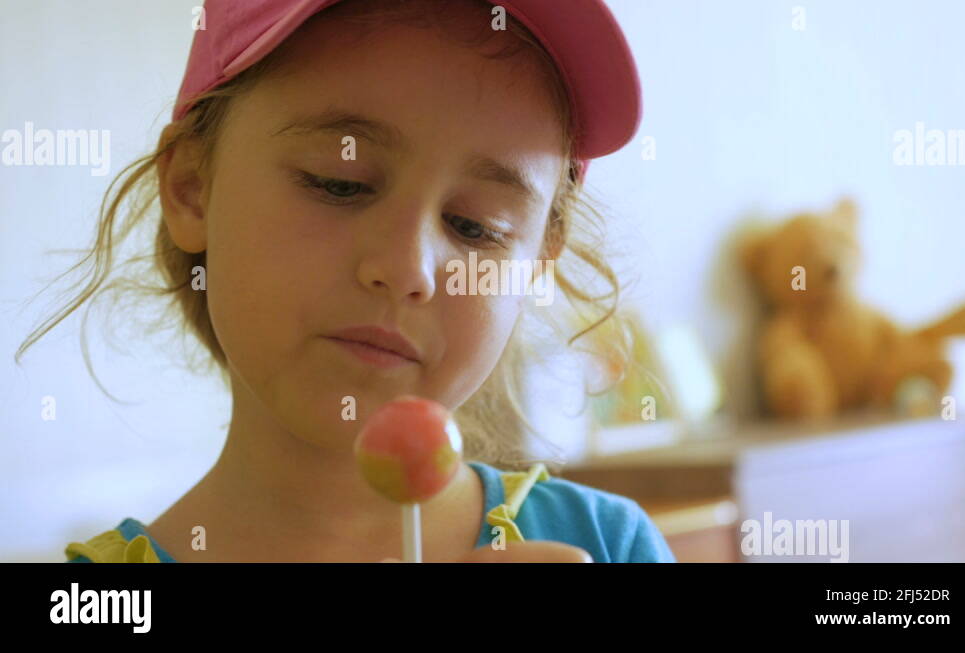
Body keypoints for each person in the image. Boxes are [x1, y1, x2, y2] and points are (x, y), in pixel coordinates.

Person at [20, 0, 675, 563]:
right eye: (341, 183)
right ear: (192, 186)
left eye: (476, 226)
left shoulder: (609, 544)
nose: (408, 268)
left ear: (537, 262)